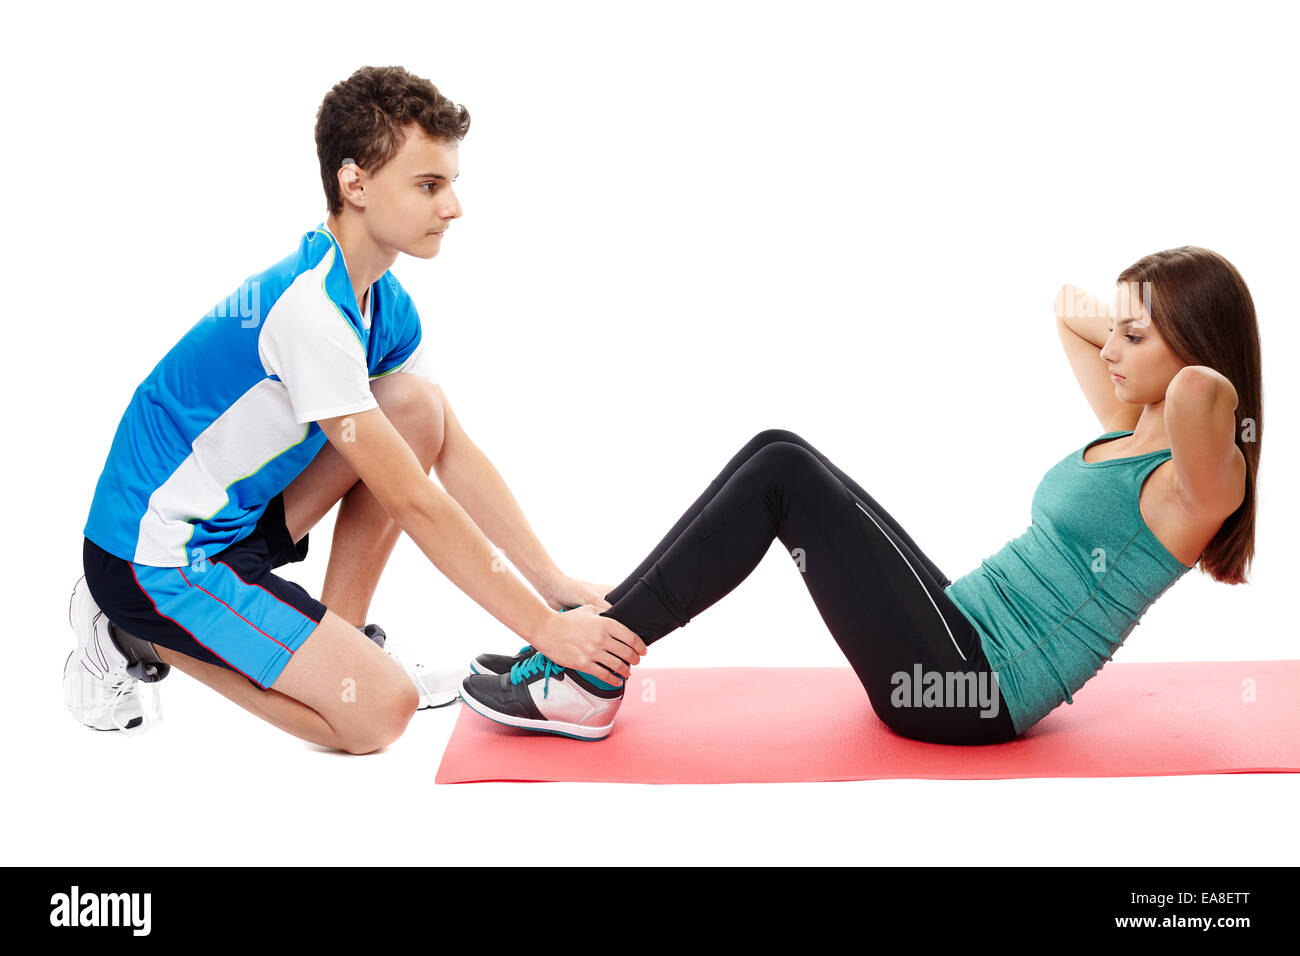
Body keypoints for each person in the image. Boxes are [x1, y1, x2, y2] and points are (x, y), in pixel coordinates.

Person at [460, 247, 1262, 744]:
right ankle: (587, 641)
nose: (1112, 348)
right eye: (1118, 333)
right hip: (957, 632)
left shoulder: (1201, 484)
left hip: (971, 692)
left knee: (783, 481)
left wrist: (1192, 329)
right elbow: (1066, 308)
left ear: (1192, 345)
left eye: (1135, 336)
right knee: (781, 449)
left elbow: (1199, 387)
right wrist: (1145, 314)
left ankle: (588, 678)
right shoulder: (1133, 421)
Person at [65, 65, 646, 752]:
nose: (452, 207)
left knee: (417, 410)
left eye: (452, 183)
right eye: (429, 185)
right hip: (154, 558)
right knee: (376, 715)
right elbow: (412, 500)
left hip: (235, 527)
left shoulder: (382, 300)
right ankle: (125, 630)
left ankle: (342, 641)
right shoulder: (306, 309)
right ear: (355, 183)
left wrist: (556, 587)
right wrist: (548, 635)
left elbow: (449, 450)